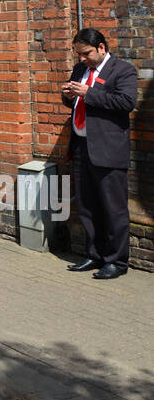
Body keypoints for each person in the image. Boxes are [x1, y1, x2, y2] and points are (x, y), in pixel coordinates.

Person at [61, 28, 138, 280]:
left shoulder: (122, 70)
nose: (81, 59)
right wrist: (69, 96)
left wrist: (88, 94)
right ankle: (94, 254)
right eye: (78, 54)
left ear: (102, 48)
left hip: (108, 149)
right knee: (87, 206)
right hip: (82, 147)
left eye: (86, 54)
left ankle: (116, 261)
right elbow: (75, 103)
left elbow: (126, 102)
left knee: (113, 208)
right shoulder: (79, 70)